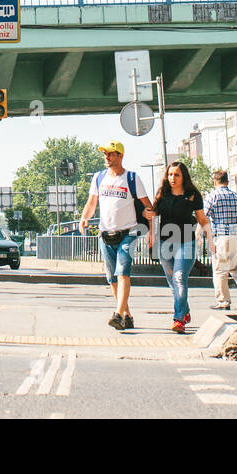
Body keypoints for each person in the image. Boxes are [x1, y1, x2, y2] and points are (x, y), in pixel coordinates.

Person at [78, 139, 151, 331]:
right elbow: (92, 202)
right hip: (105, 234)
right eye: (105, 154)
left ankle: (118, 315)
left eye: (110, 154)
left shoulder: (132, 178)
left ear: (120, 156)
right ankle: (127, 314)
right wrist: (84, 218)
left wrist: (148, 216)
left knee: (123, 272)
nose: (107, 157)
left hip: (128, 233)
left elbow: (147, 205)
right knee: (112, 278)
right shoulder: (99, 178)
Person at [151, 161, 210, 334]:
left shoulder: (192, 195)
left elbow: (202, 220)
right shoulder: (162, 194)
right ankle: (185, 312)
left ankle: (179, 320)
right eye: (170, 174)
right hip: (164, 244)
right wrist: (152, 240)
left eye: (176, 174)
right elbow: (154, 215)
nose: (172, 178)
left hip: (186, 243)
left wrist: (212, 241)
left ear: (183, 176)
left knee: (179, 278)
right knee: (172, 283)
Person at [205, 169, 237, 310]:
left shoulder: (212, 196)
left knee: (220, 270)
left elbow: (204, 217)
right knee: (236, 266)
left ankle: (223, 301)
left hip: (221, 237)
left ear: (214, 181)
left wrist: (204, 236)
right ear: (227, 181)